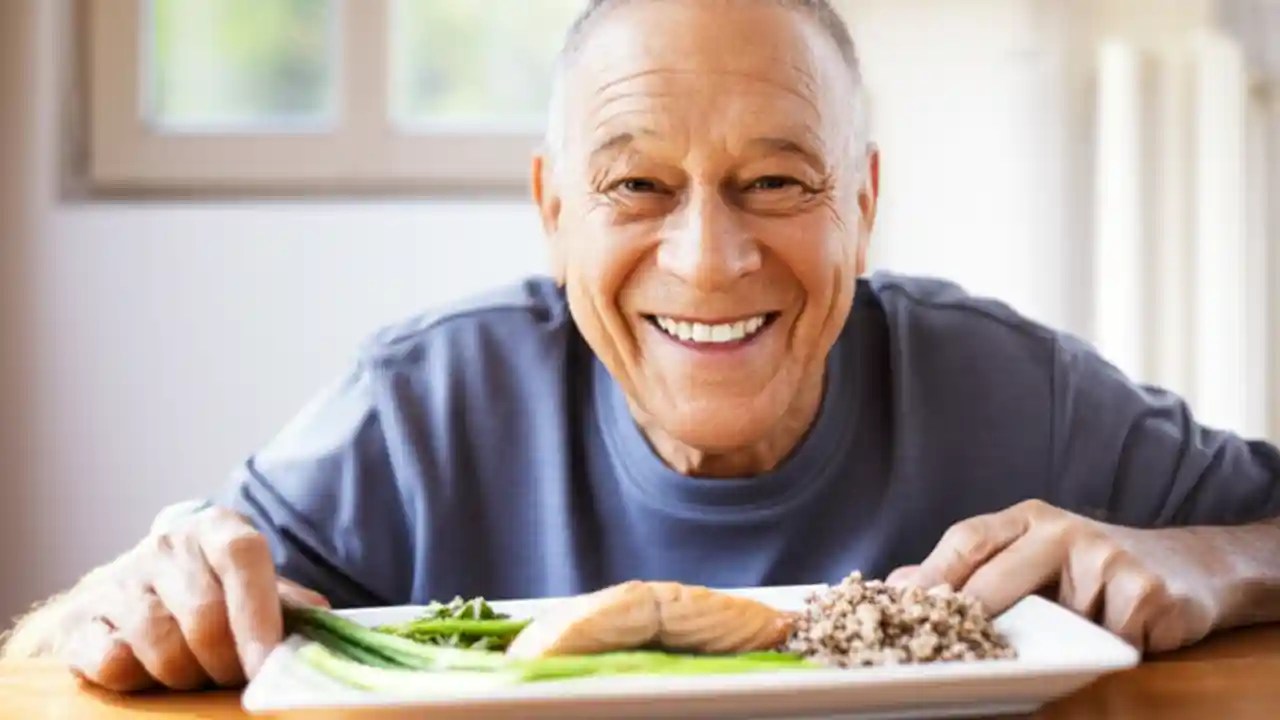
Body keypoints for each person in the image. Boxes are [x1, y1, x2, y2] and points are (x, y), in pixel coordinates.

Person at [4, 0, 1278, 693]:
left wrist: (1217, 558)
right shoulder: (423, 409)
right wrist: (127, 599)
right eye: (636, 189)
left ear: (863, 201)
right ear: (554, 209)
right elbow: (107, 627)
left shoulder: (1018, 393)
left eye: (777, 182)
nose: (709, 260)